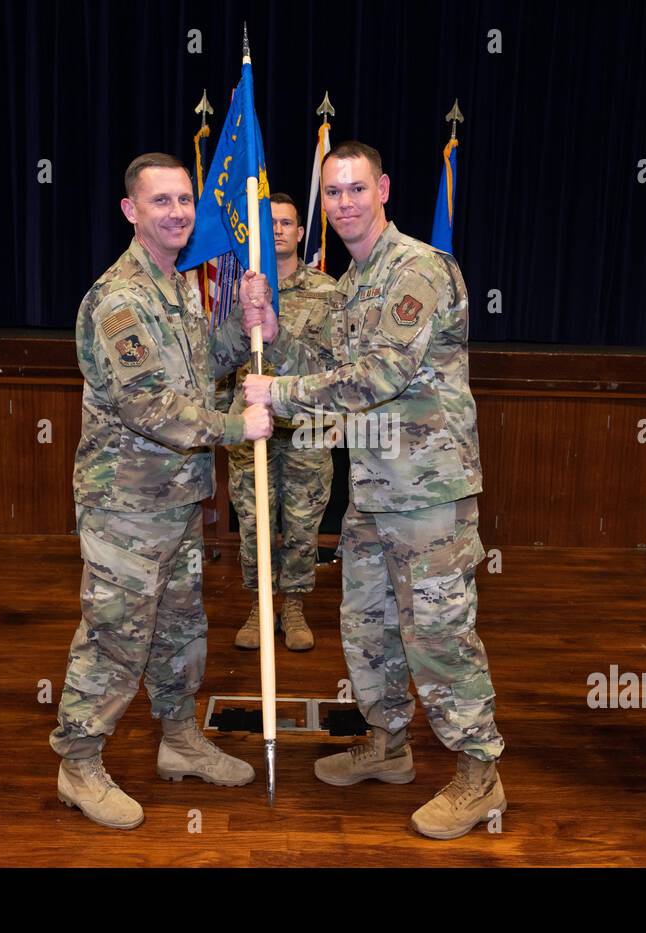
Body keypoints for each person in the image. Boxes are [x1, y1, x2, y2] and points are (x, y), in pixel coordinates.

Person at [239, 141, 506, 840]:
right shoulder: (354, 283)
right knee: (369, 628)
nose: (345, 202)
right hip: (375, 489)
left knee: (441, 638)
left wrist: (279, 389)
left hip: (429, 495)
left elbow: (376, 376)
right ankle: (388, 746)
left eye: (356, 188)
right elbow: (329, 368)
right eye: (334, 192)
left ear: (383, 189)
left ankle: (480, 776)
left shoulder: (417, 268)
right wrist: (273, 340)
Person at [50, 152, 273, 830]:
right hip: (127, 506)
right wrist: (240, 424)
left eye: (184, 200)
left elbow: (204, 366)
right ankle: (79, 762)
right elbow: (153, 406)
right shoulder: (120, 298)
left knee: (179, 631)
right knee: (116, 636)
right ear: (131, 211)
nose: (177, 212)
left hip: (175, 501)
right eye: (161, 202)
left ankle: (178, 739)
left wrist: (245, 317)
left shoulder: (176, 286)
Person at [227, 193, 336, 651]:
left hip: (306, 429)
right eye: (268, 223)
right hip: (251, 427)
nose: (277, 230)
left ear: (300, 232)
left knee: (302, 523)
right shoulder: (241, 289)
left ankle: (293, 606)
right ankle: (260, 604)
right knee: (255, 522)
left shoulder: (328, 293)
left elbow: (333, 365)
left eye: (286, 223)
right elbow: (218, 354)